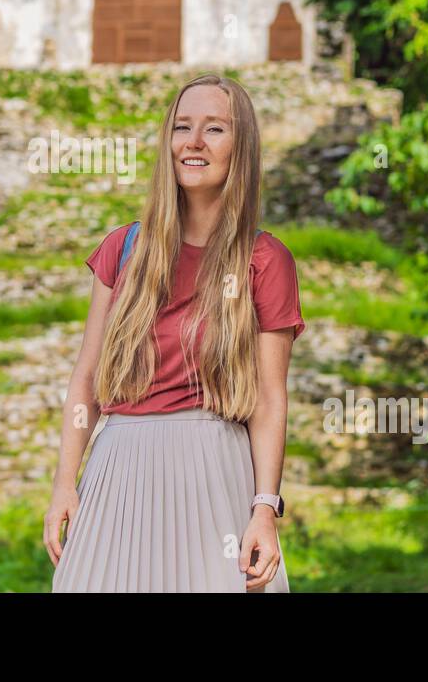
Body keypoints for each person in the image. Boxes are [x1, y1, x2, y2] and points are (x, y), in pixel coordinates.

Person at [45, 73, 305, 592]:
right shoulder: (123, 249)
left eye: (214, 129)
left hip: (215, 471)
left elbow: (270, 400)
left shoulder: (264, 259)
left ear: (241, 148)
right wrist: (63, 485)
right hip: (118, 471)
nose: (193, 142)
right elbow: (88, 377)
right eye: (182, 126)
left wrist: (264, 509)